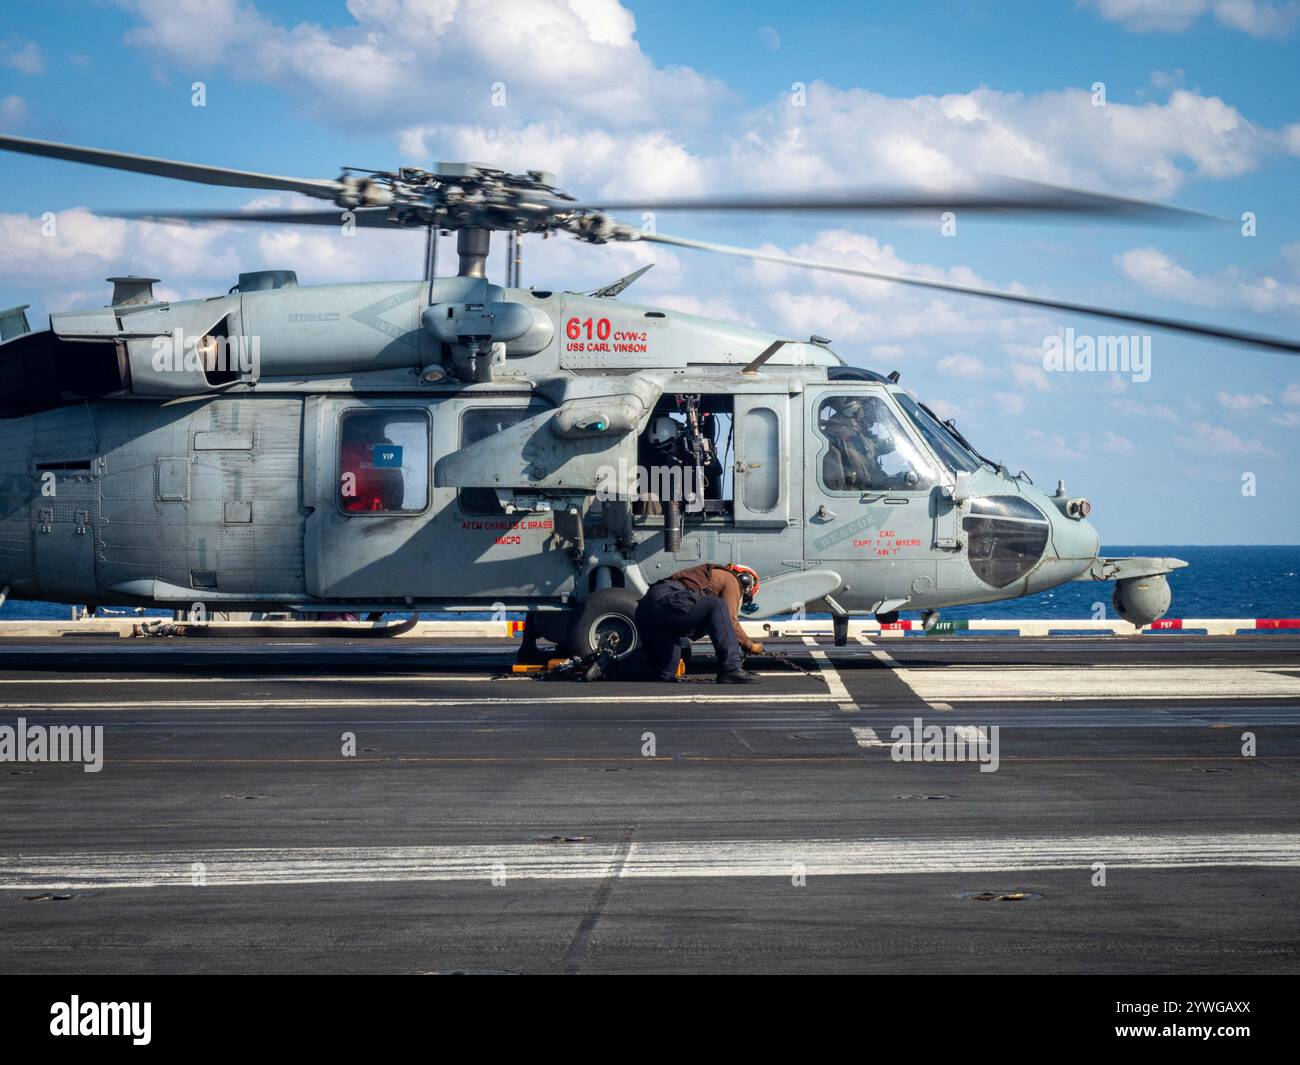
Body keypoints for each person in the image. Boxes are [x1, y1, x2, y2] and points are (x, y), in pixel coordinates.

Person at [635, 563, 764, 684]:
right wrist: (749, 645)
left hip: (648, 609)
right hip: (667, 600)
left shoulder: (709, 580)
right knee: (717, 604)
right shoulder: (732, 579)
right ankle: (731, 669)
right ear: (747, 582)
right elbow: (730, 620)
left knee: (667, 673)